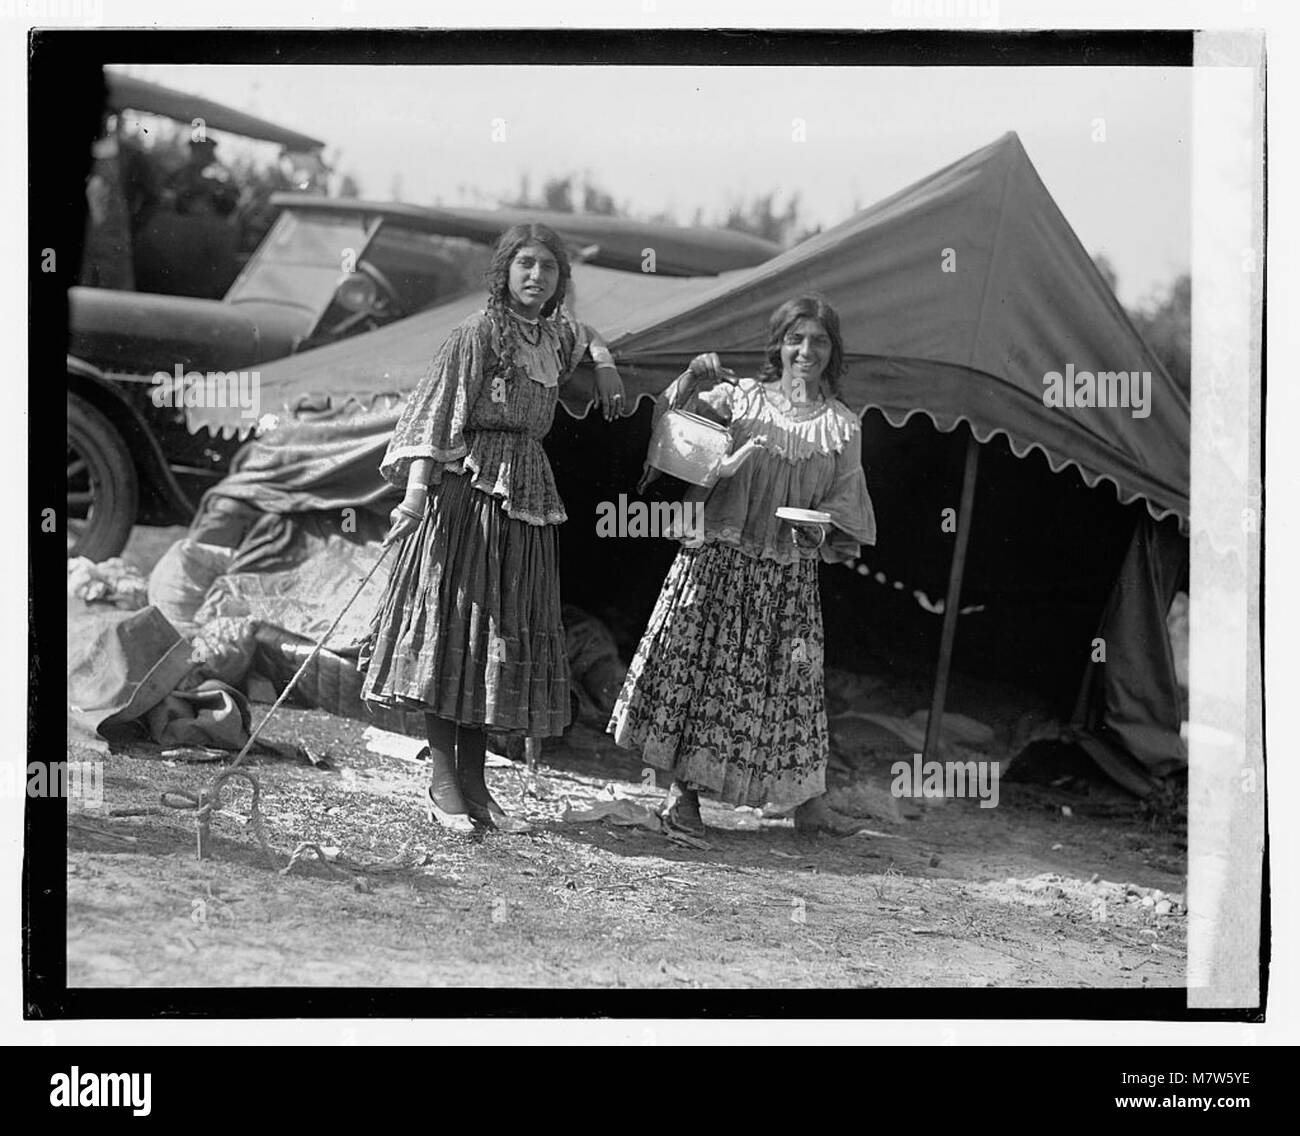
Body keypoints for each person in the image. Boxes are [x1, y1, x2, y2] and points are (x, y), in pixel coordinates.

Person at [361, 223, 625, 835]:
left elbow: (585, 334)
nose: (537, 277)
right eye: (526, 264)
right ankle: (442, 781)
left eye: (550, 269)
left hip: (528, 502)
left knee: (499, 639)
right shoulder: (475, 334)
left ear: (561, 282)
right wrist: (415, 497)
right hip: (468, 497)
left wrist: (605, 362)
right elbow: (434, 415)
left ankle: (477, 782)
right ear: (504, 270)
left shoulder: (555, 338)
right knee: (456, 629)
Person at [607, 295, 876, 833]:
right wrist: (688, 379)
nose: (806, 351)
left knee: (793, 683)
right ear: (777, 346)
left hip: (786, 575)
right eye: (795, 339)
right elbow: (672, 443)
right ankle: (682, 797)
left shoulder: (843, 427)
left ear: (833, 351)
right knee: (705, 674)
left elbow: (846, 502)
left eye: (819, 341)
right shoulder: (739, 400)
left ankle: (809, 805)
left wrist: (818, 525)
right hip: (718, 563)